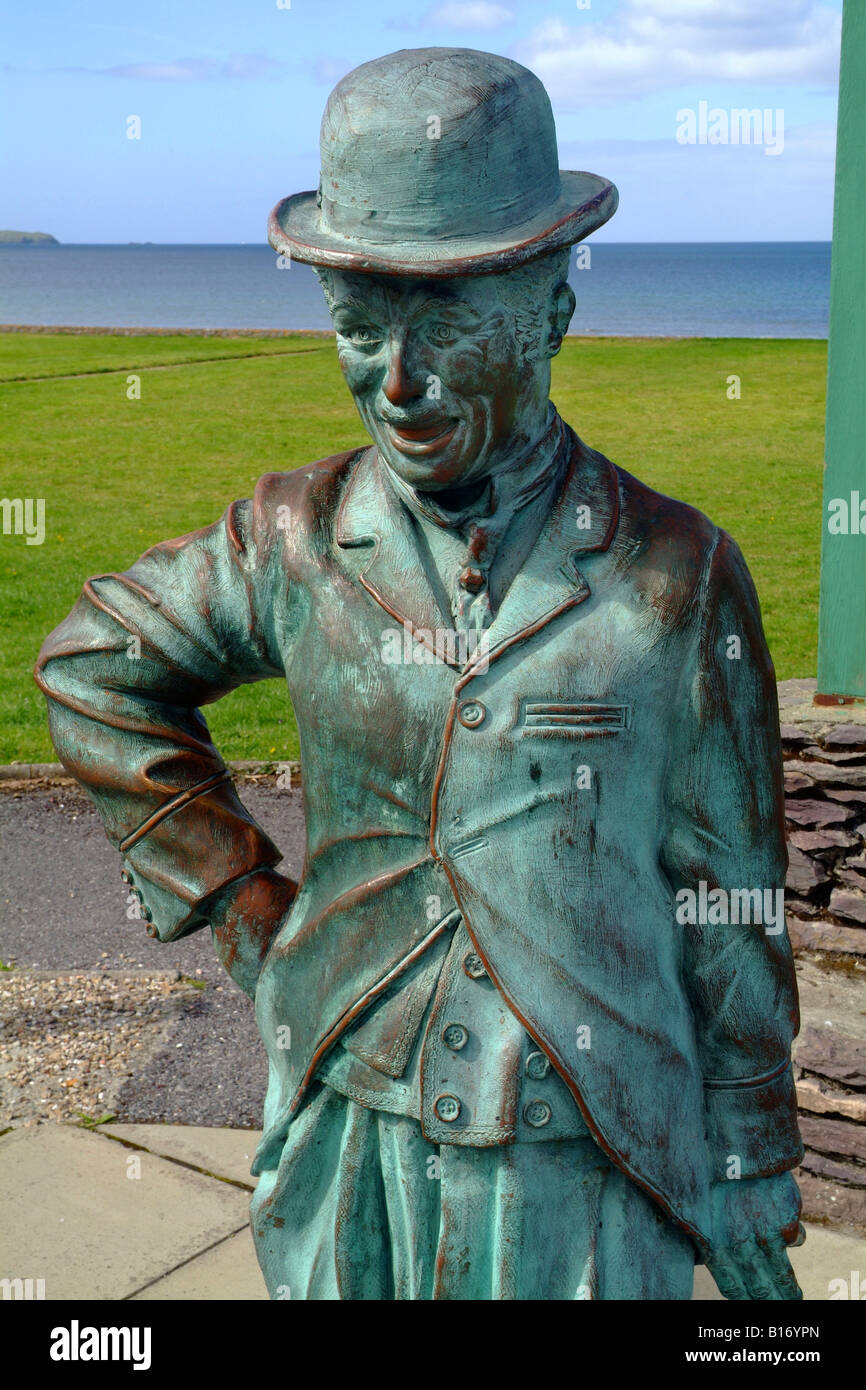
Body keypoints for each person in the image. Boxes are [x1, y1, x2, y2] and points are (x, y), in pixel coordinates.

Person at [36, 46, 804, 1300]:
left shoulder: (676, 577)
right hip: (352, 1152)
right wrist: (241, 905)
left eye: (444, 323)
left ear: (554, 309)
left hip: (585, 1179)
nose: (396, 383)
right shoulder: (290, 540)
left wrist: (751, 1154)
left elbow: (733, 899)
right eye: (358, 326)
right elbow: (94, 666)